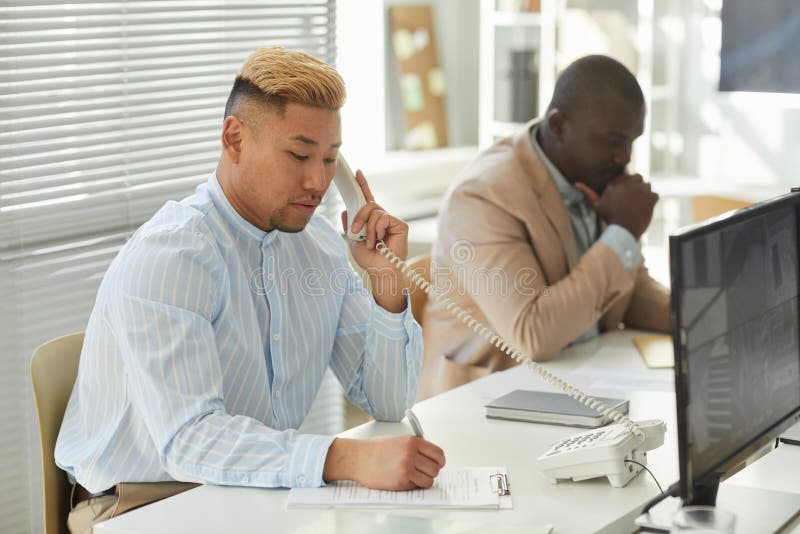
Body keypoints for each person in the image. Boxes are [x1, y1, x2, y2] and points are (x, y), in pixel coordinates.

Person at [55, 47, 445, 533]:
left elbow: (387, 402)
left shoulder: (321, 246)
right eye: (299, 155)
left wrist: (386, 279)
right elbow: (190, 439)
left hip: (251, 493)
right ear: (234, 138)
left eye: (330, 159)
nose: (318, 181)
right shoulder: (172, 256)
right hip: (138, 505)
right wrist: (344, 457)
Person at [419, 55, 670, 399]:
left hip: (570, 381)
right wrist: (623, 233)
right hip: (481, 402)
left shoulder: (593, 176)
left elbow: (631, 292)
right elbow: (532, 333)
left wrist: (705, 314)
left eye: (631, 141)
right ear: (559, 126)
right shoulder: (483, 195)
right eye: (613, 141)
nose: (625, 157)